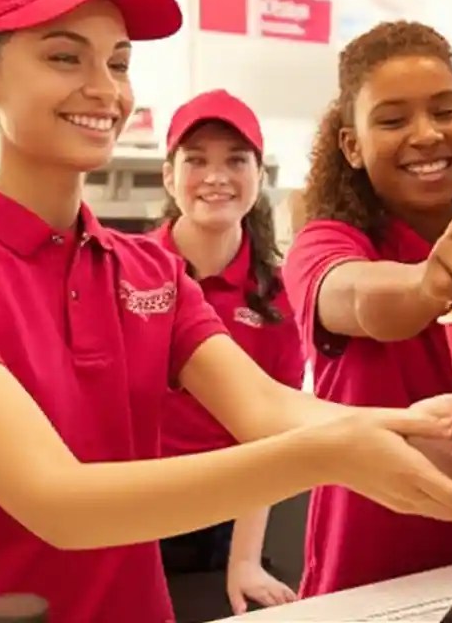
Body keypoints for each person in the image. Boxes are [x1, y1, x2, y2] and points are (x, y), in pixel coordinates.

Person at [0, 0, 452, 623]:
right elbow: (56, 501)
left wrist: (403, 423)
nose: (105, 89)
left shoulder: (148, 272)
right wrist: (334, 453)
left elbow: (264, 407)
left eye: (118, 62)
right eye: (66, 58)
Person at [284, 20, 452, 595]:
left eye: (445, 111)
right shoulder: (324, 246)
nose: (426, 135)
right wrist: (428, 282)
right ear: (352, 145)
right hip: (365, 582)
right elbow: (360, 298)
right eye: (393, 119)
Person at [154, 89, 304, 616]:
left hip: (231, 511)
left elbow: (269, 432)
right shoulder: (125, 272)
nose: (216, 176)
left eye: (235, 160)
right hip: (135, 500)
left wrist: (245, 561)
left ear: (258, 177)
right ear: (169, 176)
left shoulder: (279, 301)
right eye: (196, 160)